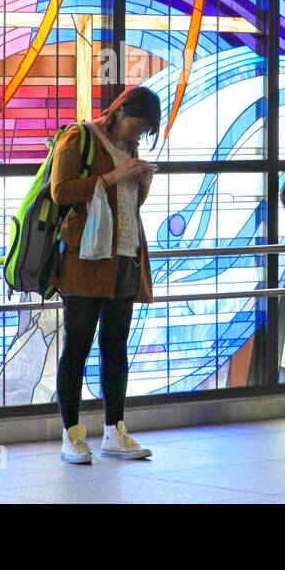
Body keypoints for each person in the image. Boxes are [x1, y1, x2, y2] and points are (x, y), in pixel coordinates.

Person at [49, 86, 160, 463]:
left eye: (143, 132)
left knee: (116, 348)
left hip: (126, 257)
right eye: (135, 125)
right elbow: (60, 191)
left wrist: (140, 182)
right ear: (119, 110)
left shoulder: (130, 149)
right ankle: (72, 435)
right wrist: (114, 176)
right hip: (85, 261)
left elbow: (129, 204)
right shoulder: (79, 137)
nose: (136, 136)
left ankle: (115, 431)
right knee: (77, 346)